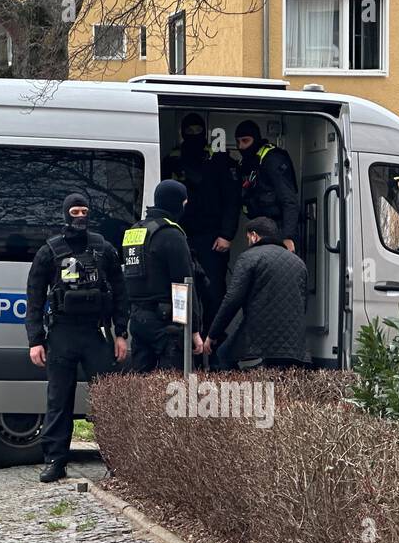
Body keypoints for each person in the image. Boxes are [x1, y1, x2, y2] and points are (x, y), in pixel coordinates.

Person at [26, 192, 129, 483]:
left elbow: (121, 293)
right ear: (65, 214)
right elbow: (34, 297)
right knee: (58, 401)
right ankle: (55, 460)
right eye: (75, 211)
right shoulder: (50, 250)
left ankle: (115, 459)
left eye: (84, 210)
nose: (80, 216)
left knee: (108, 398)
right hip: (61, 333)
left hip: (95, 333)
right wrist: (35, 339)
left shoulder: (103, 248)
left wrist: (121, 333)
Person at [204, 216, 311, 370]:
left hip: (259, 337)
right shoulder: (298, 263)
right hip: (295, 344)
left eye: (248, 238)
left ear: (254, 236)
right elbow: (303, 304)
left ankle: (238, 393)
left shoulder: (249, 257)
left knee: (223, 355)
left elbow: (232, 300)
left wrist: (212, 335)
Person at [163, 112, 240, 325]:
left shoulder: (218, 160)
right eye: (190, 131)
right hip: (179, 235)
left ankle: (212, 345)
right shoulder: (172, 159)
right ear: (182, 133)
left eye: (198, 131)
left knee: (214, 293)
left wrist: (226, 234)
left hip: (212, 237)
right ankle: (183, 347)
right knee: (179, 292)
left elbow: (232, 200)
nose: (194, 135)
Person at [121, 179, 205, 372]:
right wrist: (193, 329)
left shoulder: (134, 231)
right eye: (184, 203)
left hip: (138, 320)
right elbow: (184, 285)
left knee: (143, 387)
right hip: (166, 323)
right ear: (176, 203)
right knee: (173, 388)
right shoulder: (171, 234)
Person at [235, 120, 299, 252]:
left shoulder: (272, 159)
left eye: (245, 141)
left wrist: (288, 237)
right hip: (259, 228)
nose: (240, 146)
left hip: (278, 228)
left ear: (256, 139)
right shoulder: (247, 162)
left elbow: (289, 200)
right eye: (238, 142)